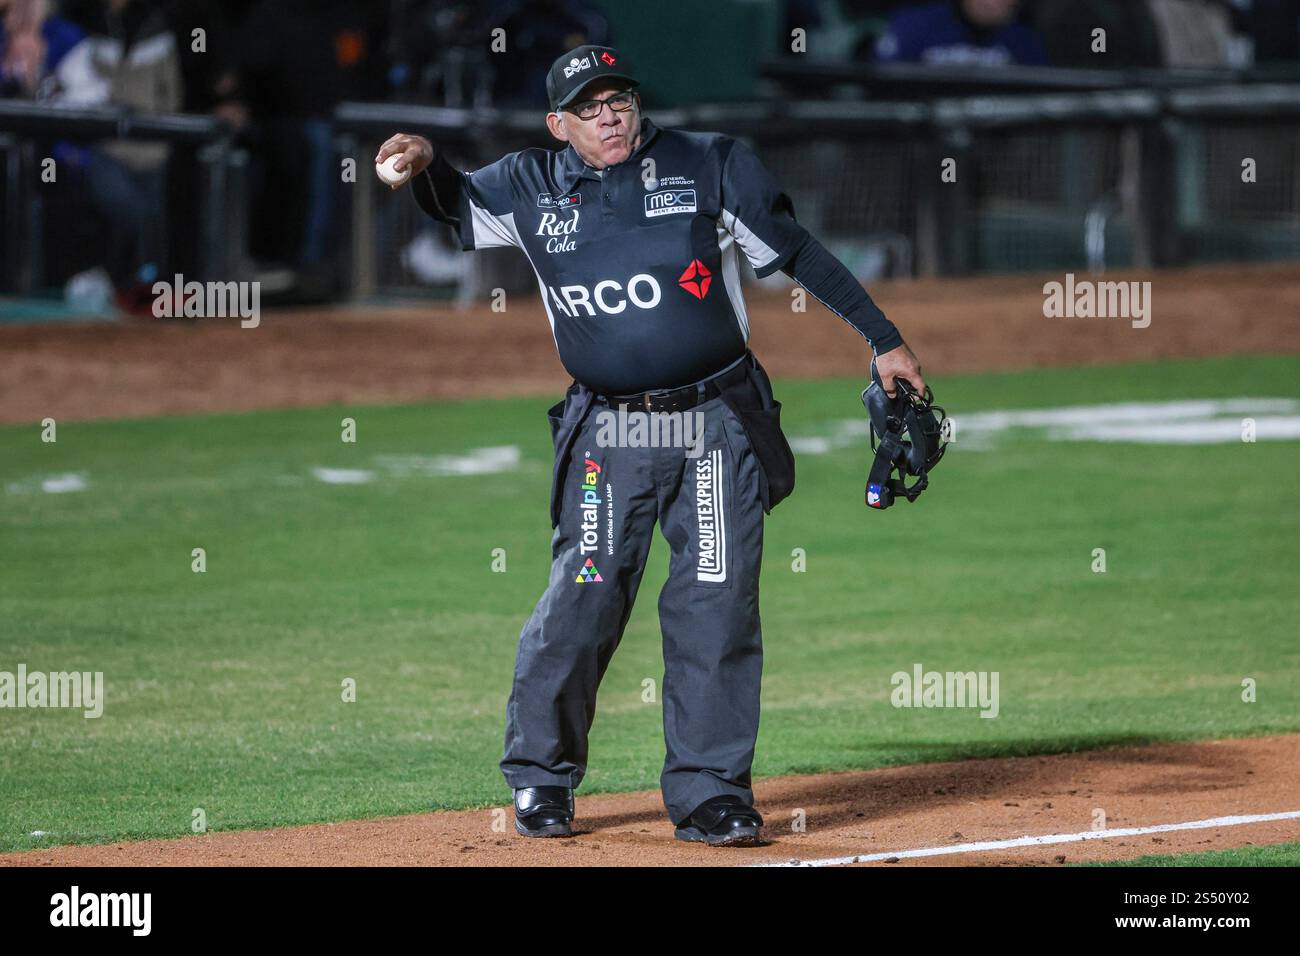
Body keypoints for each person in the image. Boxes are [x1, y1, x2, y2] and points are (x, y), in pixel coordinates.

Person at [375, 46, 925, 847]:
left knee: (714, 603)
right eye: (589, 106)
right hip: (609, 431)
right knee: (583, 596)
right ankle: (540, 779)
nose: (609, 113)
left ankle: (710, 796)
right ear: (558, 124)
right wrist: (424, 161)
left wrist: (883, 339)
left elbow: (795, 249)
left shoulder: (710, 164)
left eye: (619, 97)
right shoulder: (528, 185)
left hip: (715, 423)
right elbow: (454, 204)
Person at [874, 0, 1046, 66]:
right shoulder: (914, 25)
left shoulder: (1022, 38)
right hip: (916, 139)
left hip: (997, 140)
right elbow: (880, 88)